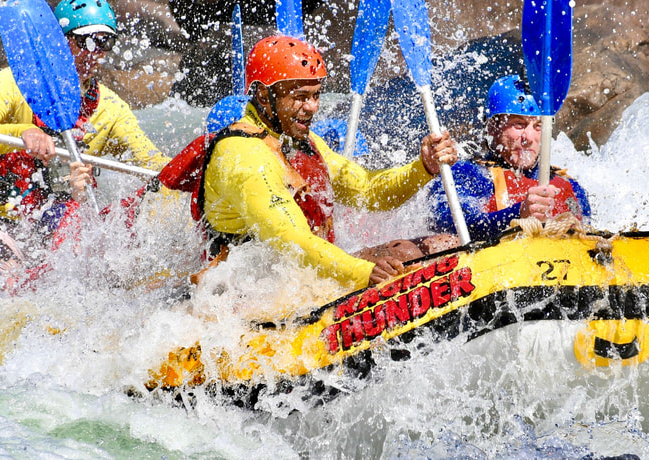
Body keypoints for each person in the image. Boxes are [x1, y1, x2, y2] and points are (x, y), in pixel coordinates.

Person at [158, 35, 459, 289]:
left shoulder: (296, 141)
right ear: (264, 95)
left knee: (441, 246)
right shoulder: (243, 157)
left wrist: (424, 168)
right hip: (246, 297)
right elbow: (293, 242)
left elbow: (368, 191)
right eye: (301, 97)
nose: (312, 107)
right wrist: (364, 274)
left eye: (316, 95)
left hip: (298, 277)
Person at [0, 0, 172, 295]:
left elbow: (150, 159)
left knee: (107, 270)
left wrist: (196, 163)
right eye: (86, 40)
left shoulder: (111, 108)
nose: (96, 52)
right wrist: (22, 131)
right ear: (60, 41)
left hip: (57, 221)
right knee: (10, 289)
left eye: (105, 41)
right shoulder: (12, 82)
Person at [427, 75, 591, 241]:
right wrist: (517, 214)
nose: (528, 137)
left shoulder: (570, 185)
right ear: (492, 127)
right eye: (518, 124)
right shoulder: (469, 174)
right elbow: (448, 222)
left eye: (538, 126)